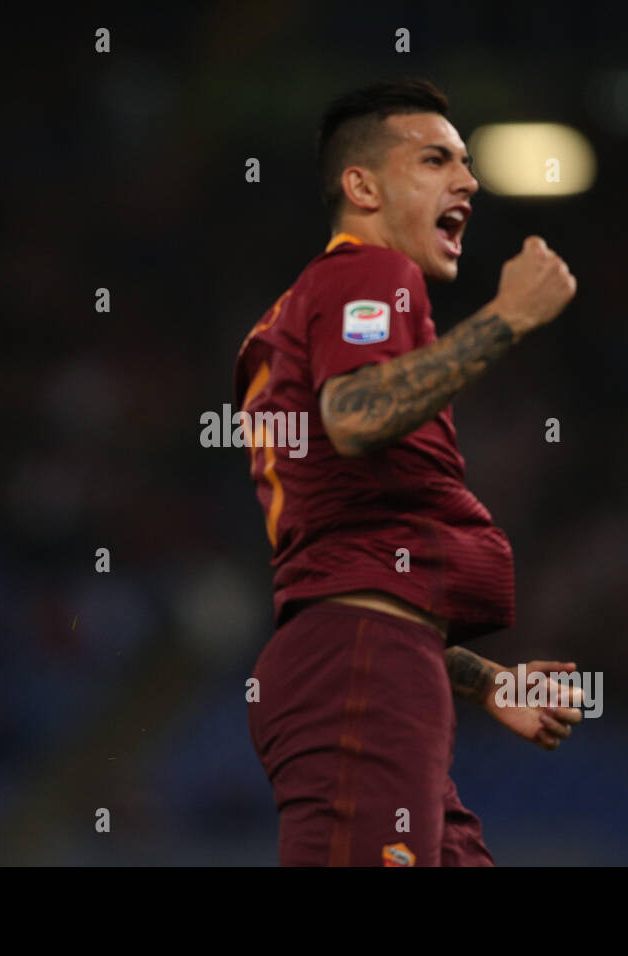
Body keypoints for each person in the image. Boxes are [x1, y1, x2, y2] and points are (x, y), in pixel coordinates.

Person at [235, 77, 583, 866]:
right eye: (434, 160)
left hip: (369, 661)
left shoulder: (292, 316)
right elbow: (356, 416)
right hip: (362, 669)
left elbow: (347, 562)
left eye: (466, 164)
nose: (468, 180)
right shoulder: (368, 274)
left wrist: (481, 677)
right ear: (361, 186)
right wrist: (511, 316)